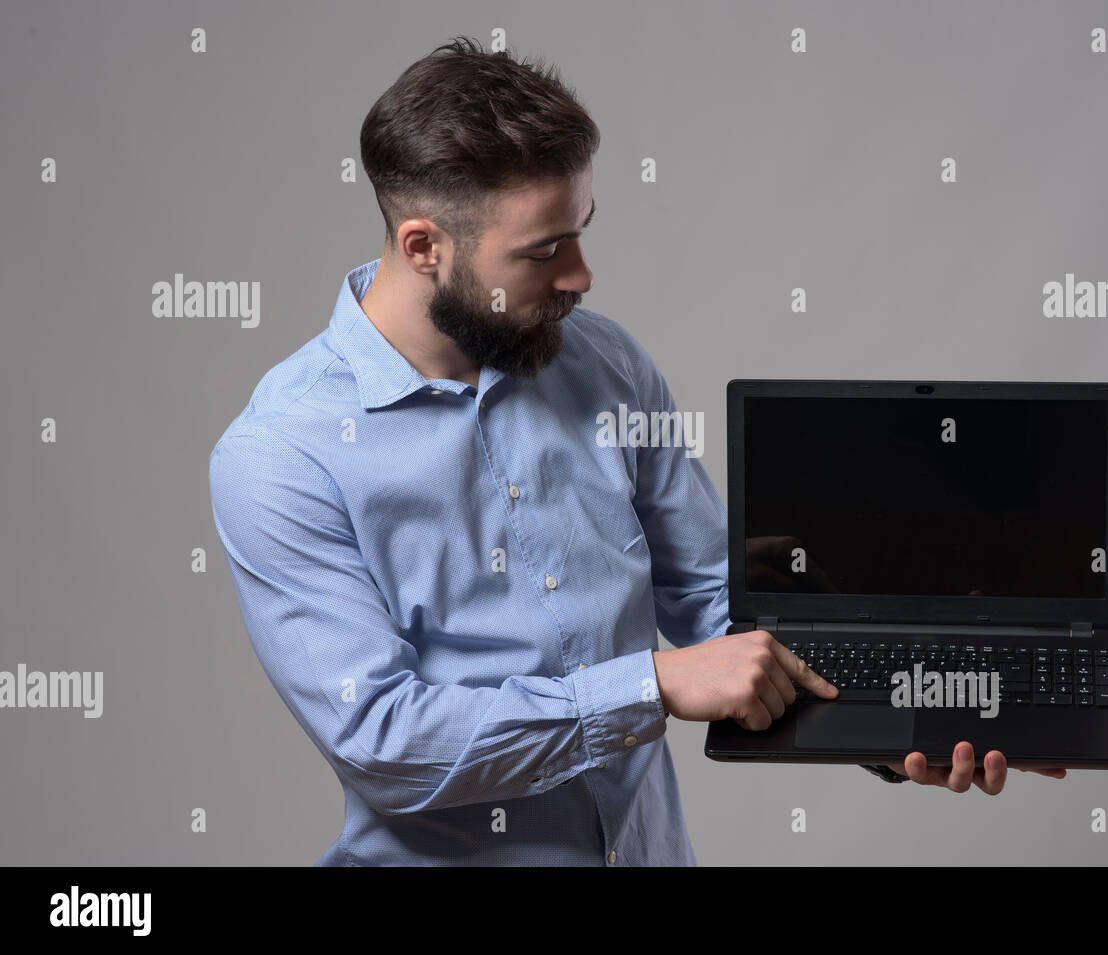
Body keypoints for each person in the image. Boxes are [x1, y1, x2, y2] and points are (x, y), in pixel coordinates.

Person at [208, 35, 1063, 868]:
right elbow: (383, 743)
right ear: (425, 247)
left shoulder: (605, 363)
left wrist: (903, 717)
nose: (581, 275)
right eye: (544, 250)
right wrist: (649, 686)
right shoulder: (283, 457)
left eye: (581, 230)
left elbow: (709, 604)